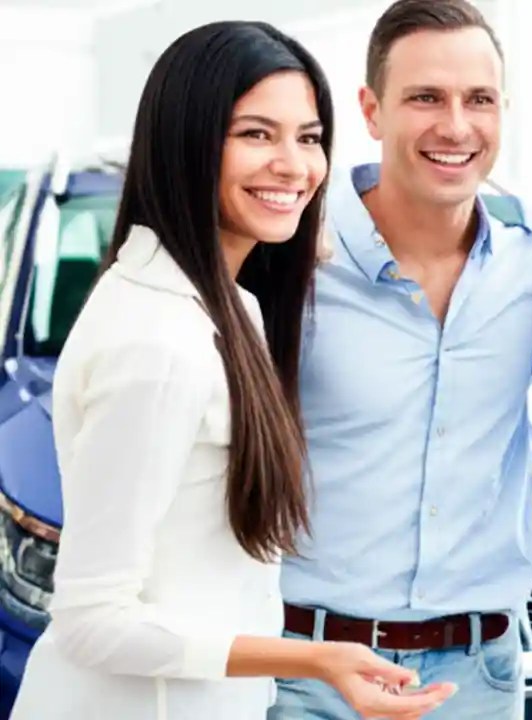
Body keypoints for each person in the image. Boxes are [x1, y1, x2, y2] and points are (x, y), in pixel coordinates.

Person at [9, 20, 456, 720]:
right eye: (255, 134)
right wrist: (316, 658)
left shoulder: (222, 305)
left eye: (308, 138)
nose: (294, 165)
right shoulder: (157, 342)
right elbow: (94, 619)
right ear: (185, 142)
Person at [268, 1, 532, 718]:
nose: (455, 125)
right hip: (307, 677)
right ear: (372, 110)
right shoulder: (288, 259)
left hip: (479, 681)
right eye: (425, 98)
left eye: (479, 99)